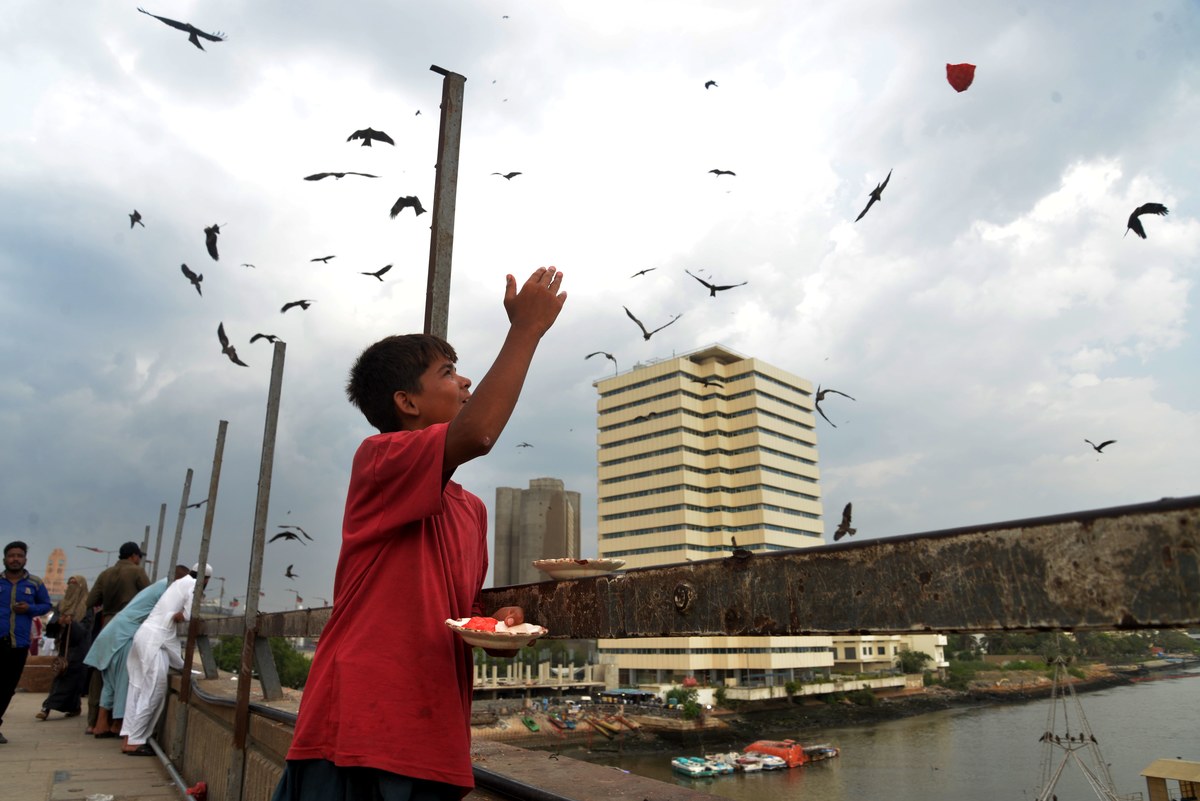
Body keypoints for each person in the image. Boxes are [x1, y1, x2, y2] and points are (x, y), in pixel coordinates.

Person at [272, 266, 567, 801]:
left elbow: (458, 610)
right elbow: (477, 432)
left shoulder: (471, 509)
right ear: (407, 403)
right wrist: (526, 330)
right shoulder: (380, 461)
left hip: (431, 730)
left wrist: (499, 626)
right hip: (361, 722)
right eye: (450, 371)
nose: (465, 382)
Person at [84, 565, 190, 738]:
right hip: (125, 636)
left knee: (110, 682)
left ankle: (101, 724)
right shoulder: (170, 590)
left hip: (114, 631)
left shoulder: (159, 586)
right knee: (126, 681)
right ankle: (119, 725)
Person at [120, 562, 211, 755]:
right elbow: (187, 615)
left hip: (143, 636)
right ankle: (135, 740)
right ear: (206, 579)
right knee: (154, 688)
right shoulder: (194, 585)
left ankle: (128, 736)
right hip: (155, 641)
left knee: (136, 688)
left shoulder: (178, 583)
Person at [83, 541, 151, 734]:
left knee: (100, 673)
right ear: (134, 556)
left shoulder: (106, 574)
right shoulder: (137, 572)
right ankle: (117, 723)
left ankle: (94, 721)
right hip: (127, 626)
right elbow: (149, 596)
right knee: (124, 674)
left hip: (107, 625)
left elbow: (90, 601)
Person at [0, 540, 54, 744]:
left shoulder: (34, 583)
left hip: (19, 643)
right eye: (11, 555)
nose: (15, 559)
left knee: (7, 687)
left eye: (19, 556)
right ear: (4, 559)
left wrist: (29, 609)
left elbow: (47, 606)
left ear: (25, 559)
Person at [37, 574, 95, 720]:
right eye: (69, 584)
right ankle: (56, 707)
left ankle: (51, 707)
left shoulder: (87, 605)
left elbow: (86, 628)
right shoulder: (62, 604)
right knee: (60, 675)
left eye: (75, 584)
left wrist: (72, 623)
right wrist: (59, 622)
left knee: (73, 679)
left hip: (80, 648)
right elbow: (53, 623)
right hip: (64, 647)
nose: (71, 587)